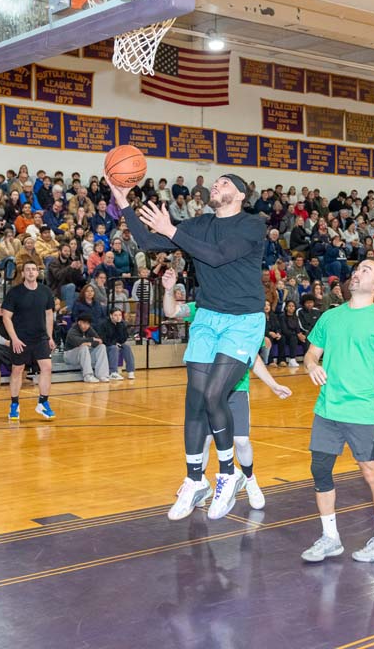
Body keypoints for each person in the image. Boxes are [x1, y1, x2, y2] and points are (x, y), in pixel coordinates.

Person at [109, 173, 266, 521]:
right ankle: (195, 480)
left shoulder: (252, 225)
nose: (216, 186)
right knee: (195, 400)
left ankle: (228, 473)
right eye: (215, 183)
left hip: (243, 319)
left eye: (225, 184)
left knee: (214, 395)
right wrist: (123, 202)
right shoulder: (200, 223)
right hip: (208, 317)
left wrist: (173, 231)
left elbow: (218, 256)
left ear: (240, 195)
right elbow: (150, 242)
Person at [299, 259, 374, 563]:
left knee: (372, 473)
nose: (358, 272)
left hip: (363, 412)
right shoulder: (330, 317)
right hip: (327, 408)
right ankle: (330, 538)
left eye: (366, 270)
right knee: (320, 470)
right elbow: (310, 354)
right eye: (357, 268)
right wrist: (312, 365)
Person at [163, 269, 292, 511]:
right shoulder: (202, 308)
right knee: (203, 440)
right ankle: (198, 485)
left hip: (235, 388)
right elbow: (171, 311)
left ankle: (249, 479)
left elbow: (251, 355)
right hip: (206, 386)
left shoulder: (241, 314)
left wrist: (273, 384)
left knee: (241, 440)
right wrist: (169, 290)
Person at [2, 260, 58, 421]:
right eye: (28, 269)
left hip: (40, 338)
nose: (31, 272)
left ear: (37, 272)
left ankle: (43, 402)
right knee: (17, 370)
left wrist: (50, 337)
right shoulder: (15, 293)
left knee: (47, 368)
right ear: (23, 273)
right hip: (21, 339)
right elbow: (6, 317)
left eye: (34, 269)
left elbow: (49, 315)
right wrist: (14, 339)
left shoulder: (45, 292)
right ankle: (14, 405)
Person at [63, 314, 110, 383]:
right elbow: (78, 342)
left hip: (83, 354)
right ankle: (88, 376)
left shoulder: (89, 329)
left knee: (102, 347)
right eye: (84, 323)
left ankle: (102, 375)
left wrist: (90, 343)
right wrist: (91, 339)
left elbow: (99, 341)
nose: (86, 326)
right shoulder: (72, 331)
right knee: (83, 347)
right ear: (79, 322)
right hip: (70, 356)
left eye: (88, 324)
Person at [102, 306, 135, 380]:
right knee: (114, 348)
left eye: (120, 315)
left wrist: (119, 325)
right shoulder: (104, 324)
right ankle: (113, 372)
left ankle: (130, 371)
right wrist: (114, 343)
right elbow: (103, 339)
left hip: (117, 343)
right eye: (115, 315)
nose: (118, 317)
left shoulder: (122, 324)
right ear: (111, 316)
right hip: (106, 345)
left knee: (126, 347)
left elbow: (123, 338)